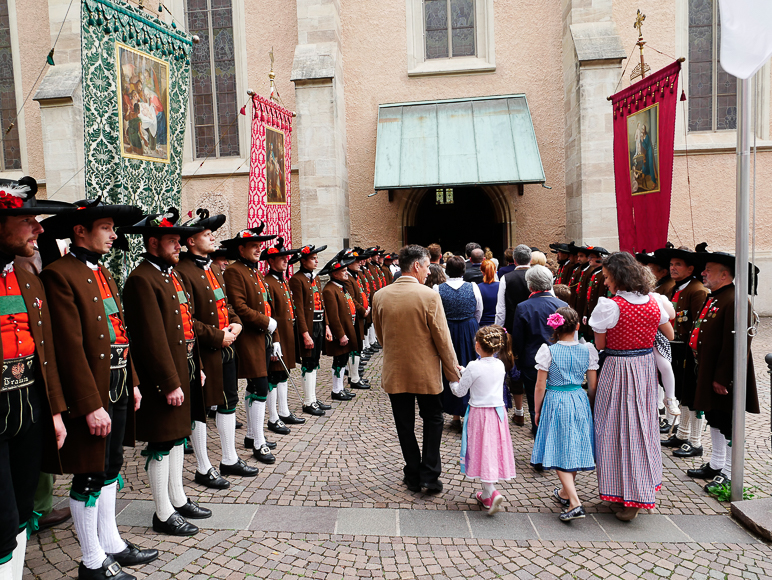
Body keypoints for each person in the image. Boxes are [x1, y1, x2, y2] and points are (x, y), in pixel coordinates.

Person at [40, 199, 160, 580]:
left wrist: (134, 381)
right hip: (92, 390)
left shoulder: (102, 271)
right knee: (89, 473)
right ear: (80, 230)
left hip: (120, 382)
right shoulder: (59, 274)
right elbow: (69, 346)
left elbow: (119, 329)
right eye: (106, 227)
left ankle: (111, 544)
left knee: (111, 467)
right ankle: (91, 560)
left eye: (113, 227)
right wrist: (90, 404)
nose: (114, 234)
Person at [121, 209, 212, 537]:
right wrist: (169, 382)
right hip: (162, 376)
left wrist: (196, 367)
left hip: (183, 366)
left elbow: (185, 326)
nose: (178, 246)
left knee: (177, 435)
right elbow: (150, 338)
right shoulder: (141, 279)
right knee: (161, 442)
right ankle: (163, 512)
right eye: (172, 240)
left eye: (179, 240)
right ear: (153, 242)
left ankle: (178, 498)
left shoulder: (168, 274)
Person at [0, 177, 68, 580]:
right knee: (3, 520)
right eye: (29, 220)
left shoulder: (28, 278)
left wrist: (55, 413)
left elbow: (45, 353)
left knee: (24, 511)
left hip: (28, 413)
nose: (40, 229)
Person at [589, 252, 673, 521]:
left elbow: (601, 345)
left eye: (607, 277)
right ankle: (632, 493)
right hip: (645, 369)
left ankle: (631, 498)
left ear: (618, 277)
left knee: (615, 429)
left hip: (618, 370)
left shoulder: (610, 306)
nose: (605, 282)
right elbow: (668, 334)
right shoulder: (653, 301)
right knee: (641, 429)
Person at [176, 210, 257, 486]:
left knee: (228, 402)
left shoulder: (211, 268)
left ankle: (229, 458)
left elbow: (227, 305)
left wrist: (236, 324)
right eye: (207, 235)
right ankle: (203, 466)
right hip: (203, 351)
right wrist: (216, 336)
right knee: (200, 407)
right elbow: (185, 320)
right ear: (191, 242)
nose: (213, 238)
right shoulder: (182, 271)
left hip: (226, 346)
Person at [372, 245, 460, 494]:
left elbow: (381, 336)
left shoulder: (380, 295)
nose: (428, 273)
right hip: (425, 370)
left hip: (396, 369)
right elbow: (443, 338)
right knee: (433, 419)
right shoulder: (429, 296)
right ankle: (429, 475)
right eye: (426, 267)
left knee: (404, 423)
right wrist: (453, 373)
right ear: (417, 266)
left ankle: (412, 472)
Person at [686, 252, 759, 494]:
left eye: (709, 269)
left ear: (725, 274)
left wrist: (723, 377)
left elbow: (736, 345)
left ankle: (729, 472)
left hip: (724, 374)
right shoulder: (716, 297)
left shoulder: (737, 299)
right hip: (709, 369)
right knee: (714, 417)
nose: (703, 273)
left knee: (728, 422)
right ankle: (716, 464)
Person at [531, 307, 598, 522]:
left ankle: (576, 502)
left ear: (555, 328)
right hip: (578, 398)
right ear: (577, 327)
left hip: (556, 400)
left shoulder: (548, 351)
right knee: (572, 446)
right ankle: (564, 493)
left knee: (560, 448)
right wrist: (589, 405)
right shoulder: (588, 349)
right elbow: (593, 385)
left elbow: (540, 385)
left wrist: (538, 409)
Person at [221, 226, 280, 465]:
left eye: (260, 246)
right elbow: (239, 307)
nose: (259, 249)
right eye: (254, 246)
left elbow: (266, 304)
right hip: (248, 339)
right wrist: (267, 323)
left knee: (256, 386)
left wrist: (275, 339)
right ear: (241, 249)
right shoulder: (234, 271)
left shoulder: (254, 272)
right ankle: (258, 442)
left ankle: (251, 435)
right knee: (260, 387)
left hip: (262, 337)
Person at [449, 326, 516, 515]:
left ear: (477, 345)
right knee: (491, 450)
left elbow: (460, 391)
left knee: (481, 450)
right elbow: (482, 377)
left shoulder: (474, 366)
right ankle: (486, 495)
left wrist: (452, 381)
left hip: (480, 414)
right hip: (497, 413)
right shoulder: (499, 364)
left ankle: (493, 492)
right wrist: (465, 371)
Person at [657, 244, 709, 455]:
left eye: (678, 264)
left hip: (688, 350)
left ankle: (694, 440)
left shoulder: (697, 290)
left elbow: (698, 325)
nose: (673, 268)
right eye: (671, 264)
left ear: (690, 269)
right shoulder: (675, 288)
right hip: (675, 347)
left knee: (692, 395)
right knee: (682, 393)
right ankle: (682, 433)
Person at [511, 265, 568, 435]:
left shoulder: (523, 307)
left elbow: (518, 339)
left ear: (530, 286)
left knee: (535, 403)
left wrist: (518, 359)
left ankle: (539, 438)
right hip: (558, 359)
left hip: (532, 360)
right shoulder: (562, 304)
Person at [259, 237, 304, 435]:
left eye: (286, 257)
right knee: (274, 376)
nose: (286, 260)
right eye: (281, 258)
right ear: (270, 261)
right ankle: (273, 417)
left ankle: (284, 411)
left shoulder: (281, 281)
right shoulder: (268, 282)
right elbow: (270, 313)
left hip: (286, 335)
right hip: (275, 337)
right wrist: (274, 340)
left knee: (283, 375)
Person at [437, 256, 482, 430]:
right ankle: (468, 410)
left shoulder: (438, 289)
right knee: (470, 366)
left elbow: (437, 312)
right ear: (463, 270)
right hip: (469, 328)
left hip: (448, 329)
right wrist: (471, 324)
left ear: (446, 270)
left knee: (450, 367)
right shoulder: (473, 287)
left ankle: (455, 414)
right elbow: (479, 310)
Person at [288, 244, 331, 416]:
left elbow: (321, 303)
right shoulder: (296, 279)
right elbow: (298, 309)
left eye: (316, 258)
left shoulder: (315, 278)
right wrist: (305, 333)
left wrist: (326, 325)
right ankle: (308, 402)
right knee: (308, 363)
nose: (316, 261)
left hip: (319, 324)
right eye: (313, 258)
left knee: (315, 362)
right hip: (309, 326)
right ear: (303, 261)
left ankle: (313, 397)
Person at [320, 254, 358, 401]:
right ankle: (336, 390)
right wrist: (341, 334)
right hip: (339, 332)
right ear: (334, 274)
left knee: (343, 360)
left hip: (346, 329)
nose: (346, 272)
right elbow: (333, 315)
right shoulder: (330, 290)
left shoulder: (340, 287)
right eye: (343, 271)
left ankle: (340, 388)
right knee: (338, 360)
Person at [343, 249, 371, 391]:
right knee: (354, 348)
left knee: (358, 346)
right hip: (354, 316)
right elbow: (351, 298)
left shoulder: (354, 276)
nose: (360, 263)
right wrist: (362, 310)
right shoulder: (347, 278)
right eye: (356, 261)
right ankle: (353, 378)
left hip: (360, 316)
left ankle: (355, 377)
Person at [495, 244, 531, 332]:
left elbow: (501, 308)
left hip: (513, 325)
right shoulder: (539, 275)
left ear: (514, 261)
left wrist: (498, 328)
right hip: (535, 323)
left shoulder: (506, 278)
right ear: (531, 259)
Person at [478, 260, 499, 327]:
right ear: (495, 270)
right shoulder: (502, 286)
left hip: (482, 323)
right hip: (498, 322)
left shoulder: (477, 287)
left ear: (482, 272)